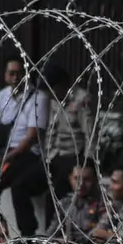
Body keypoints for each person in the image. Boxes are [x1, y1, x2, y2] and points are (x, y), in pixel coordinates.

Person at [0, 57, 50, 238]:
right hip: (4, 150)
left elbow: (31, 138)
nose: (15, 77)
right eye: (11, 73)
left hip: (25, 153)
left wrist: (3, 158)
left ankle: (26, 234)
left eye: (19, 73)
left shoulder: (38, 99)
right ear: (5, 76)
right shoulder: (2, 95)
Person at [45, 66, 98, 201]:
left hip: (73, 155)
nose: (51, 93)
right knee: (21, 184)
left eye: (54, 88)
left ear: (63, 85)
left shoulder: (81, 99)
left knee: (55, 193)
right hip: (53, 155)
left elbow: (89, 133)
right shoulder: (52, 100)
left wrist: (88, 161)